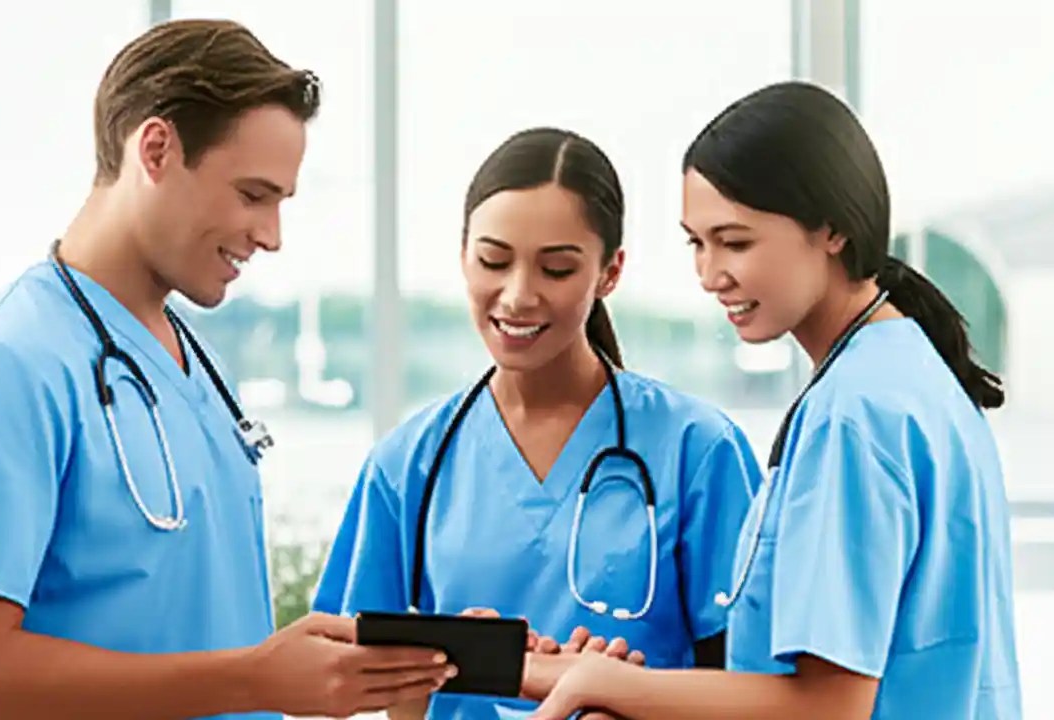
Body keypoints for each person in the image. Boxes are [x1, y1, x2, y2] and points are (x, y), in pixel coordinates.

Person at [0, 19, 455, 720]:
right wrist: (254, 679)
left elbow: (198, 632)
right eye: (253, 196)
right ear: (156, 149)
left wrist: (328, 665)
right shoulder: (8, 364)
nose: (272, 236)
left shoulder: (194, 365)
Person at [525, 81, 1023, 720]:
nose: (710, 275)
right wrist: (575, 678)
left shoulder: (854, 414)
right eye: (696, 243)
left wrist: (606, 685)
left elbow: (828, 705)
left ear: (833, 230)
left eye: (735, 242)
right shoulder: (911, 374)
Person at [312, 126, 764, 719]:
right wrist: (433, 662)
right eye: (494, 261)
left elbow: (754, 688)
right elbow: (342, 685)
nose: (518, 296)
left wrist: (627, 697)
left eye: (556, 270)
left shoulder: (697, 450)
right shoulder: (408, 465)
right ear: (464, 256)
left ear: (610, 273)